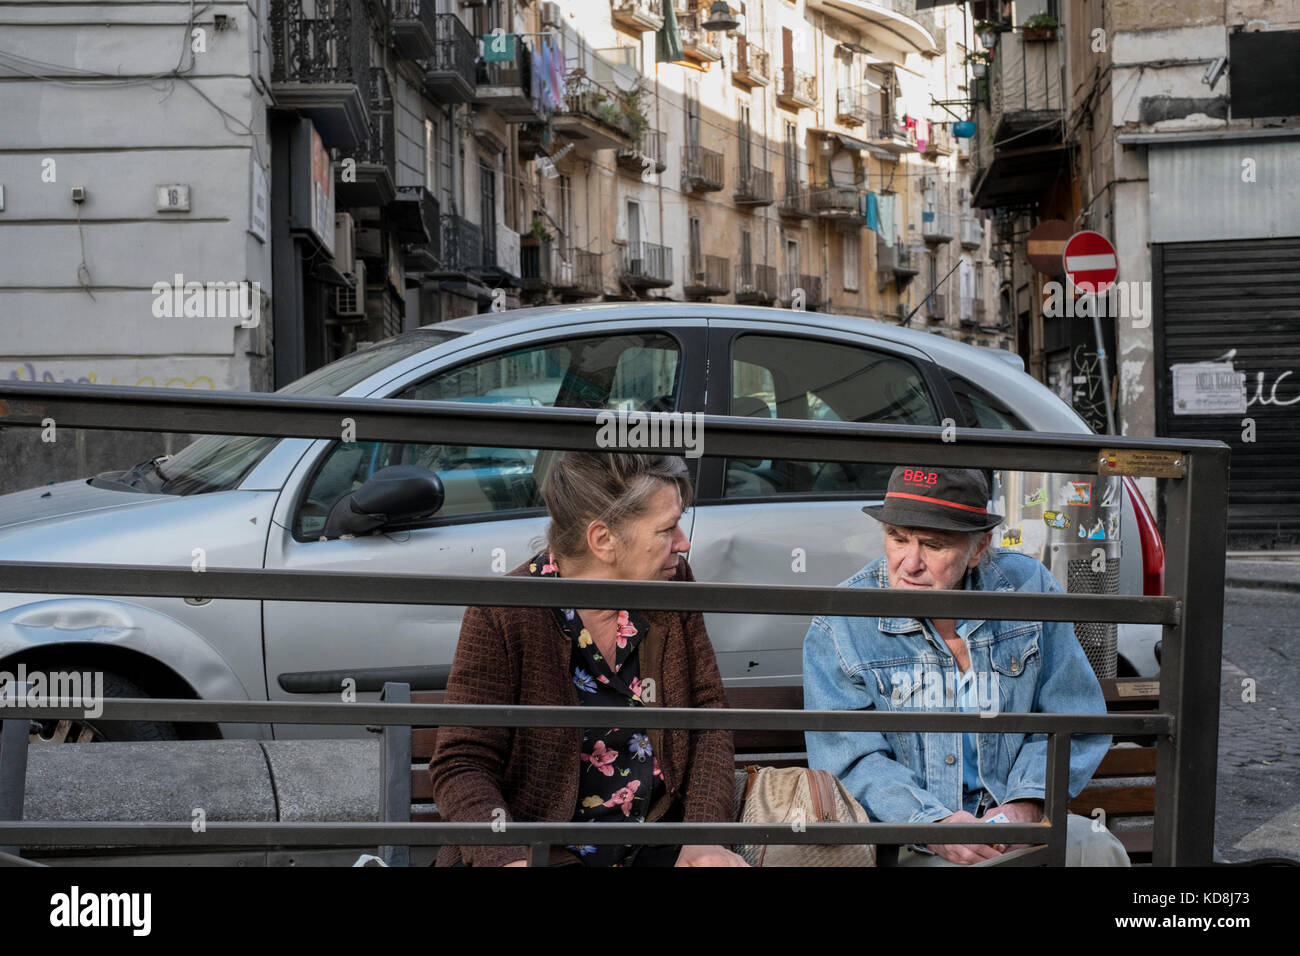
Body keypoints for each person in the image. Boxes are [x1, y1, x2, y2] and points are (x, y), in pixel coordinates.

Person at [428, 451, 747, 867]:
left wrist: (704, 838)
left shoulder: (673, 586)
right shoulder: (504, 612)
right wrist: (503, 858)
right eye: (667, 529)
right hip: (541, 854)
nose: (683, 543)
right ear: (602, 540)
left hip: (654, 847)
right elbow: (461, 763)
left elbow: (707, 718)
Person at [802, 465, 1129, 866]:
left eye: (934, 545)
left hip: (1015, 825)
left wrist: (1024, 806)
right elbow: (850, 759)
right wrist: (934, 824)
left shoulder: (1026, 588)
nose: (910, 563)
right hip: (910, 839)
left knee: (1094, 845)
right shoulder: (842, 621)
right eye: (897, 538)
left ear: (978, 548)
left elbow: (1073, 715)